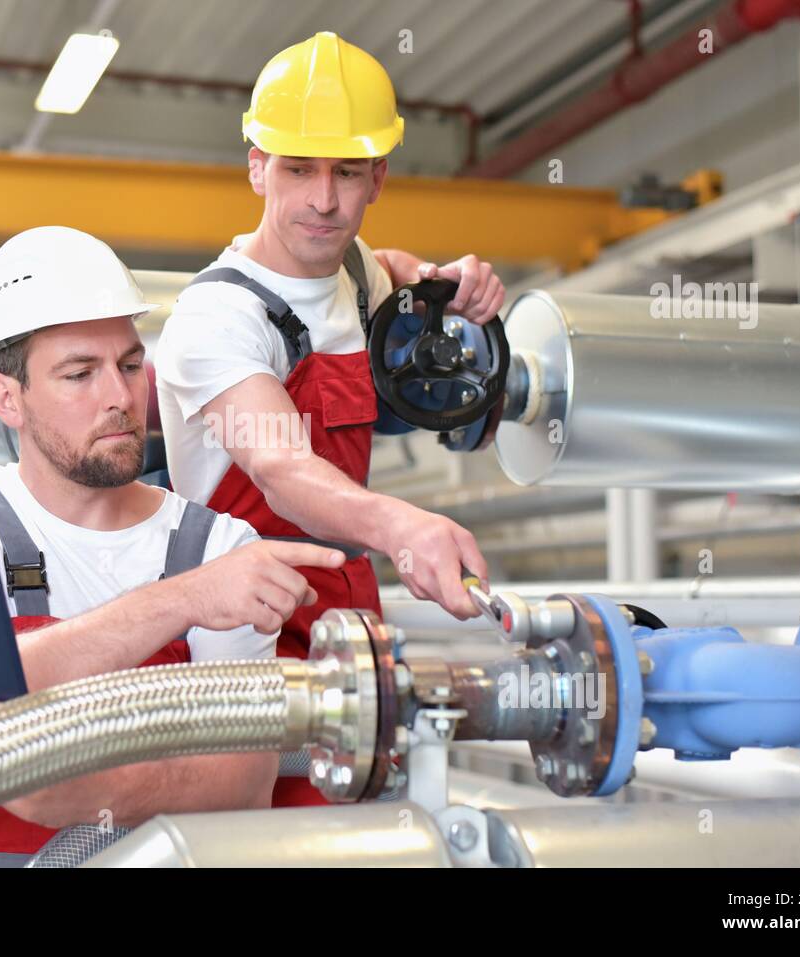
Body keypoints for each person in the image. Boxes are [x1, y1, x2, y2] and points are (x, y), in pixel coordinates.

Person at [0, 225, 344, 866]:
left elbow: (241, 781)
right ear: (6, 399)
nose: (121, 397)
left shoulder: (218, 545)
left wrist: (72, 790)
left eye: (130, 365)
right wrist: (182, 602)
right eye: (80, 374)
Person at [154, 32, 506, 804]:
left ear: (377, 176)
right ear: (256, 166)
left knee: (361, 823)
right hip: (245, 632)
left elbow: (394, 271)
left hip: (347, 609)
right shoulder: (217, 315)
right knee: (260, 835)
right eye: (298, 169)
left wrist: (445, 287)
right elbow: (282, 472)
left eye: (347, 172)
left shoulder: (358, 271)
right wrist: (405, 528)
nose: (322, 199)